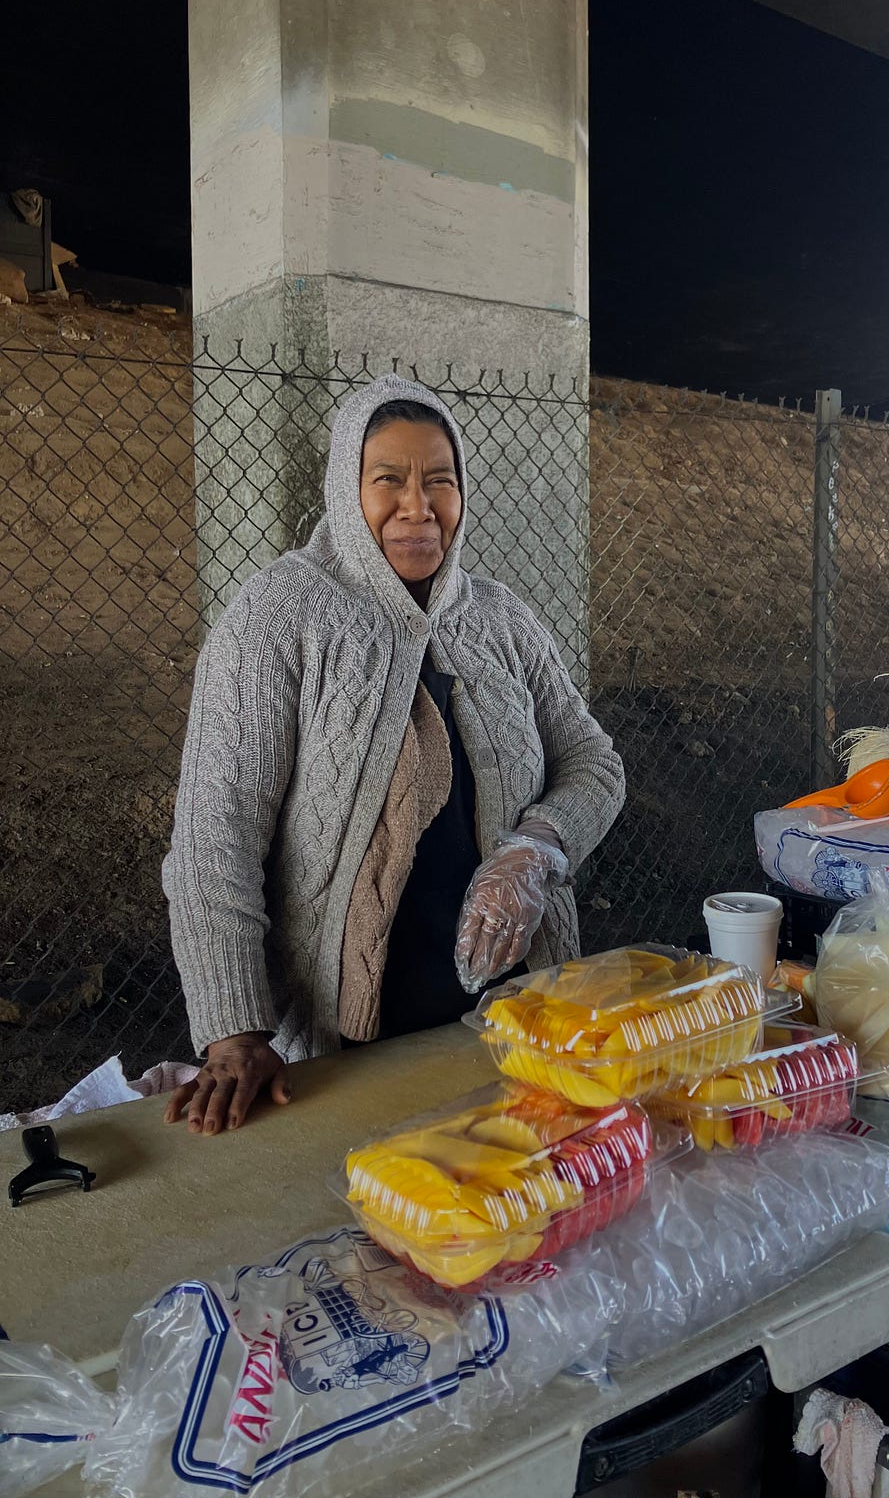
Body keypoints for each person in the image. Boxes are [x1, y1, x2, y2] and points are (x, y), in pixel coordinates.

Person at [163, 375, 624, 1135]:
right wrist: (234, 1031)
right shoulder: (279, 617)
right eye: (390, 481)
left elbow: (593, 761)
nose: (419, 506)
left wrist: (537, 848)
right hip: (351, 1051)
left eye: (439, 481)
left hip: (520, 1025)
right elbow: (218, 835)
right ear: (348, 491)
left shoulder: (499, 616)